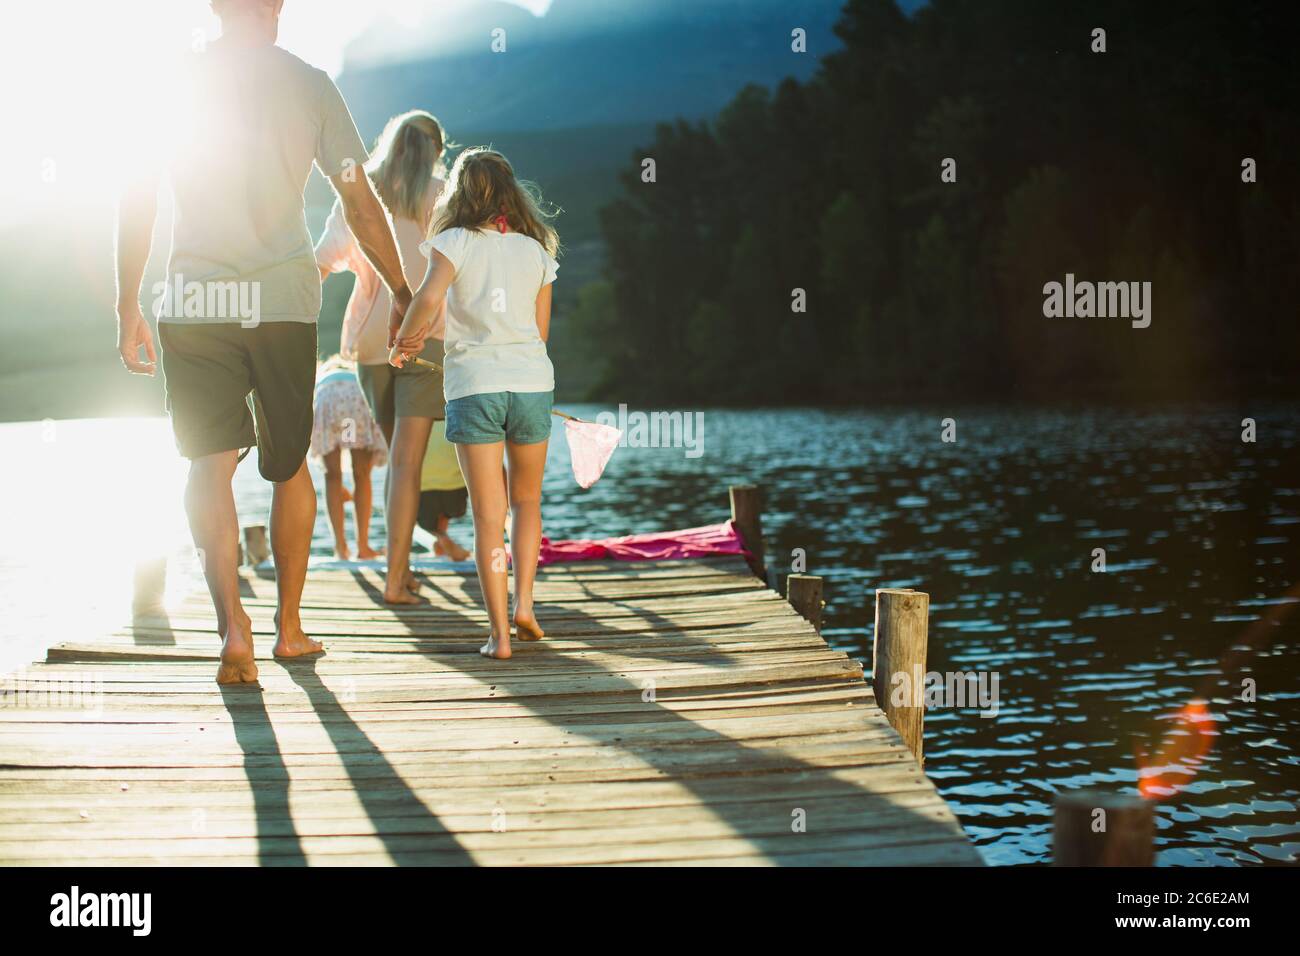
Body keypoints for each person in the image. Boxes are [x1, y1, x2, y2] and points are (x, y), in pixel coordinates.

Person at [114, 0, 413, 684]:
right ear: (271, 8)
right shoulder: (309, 83)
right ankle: (289, 628)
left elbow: (137, 197)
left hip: (194, 301)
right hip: (280, 303)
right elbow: (358, 198)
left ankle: (231, 630)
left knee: (206, 465)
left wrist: (127, 303)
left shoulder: (177, 80)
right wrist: (399, 287)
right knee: (289, 466)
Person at [391, 148, 559, 659]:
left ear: (461, 193)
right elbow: (541, 332)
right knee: (527, 502)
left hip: (474, 387)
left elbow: (427, 297)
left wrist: (404, 343)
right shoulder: (537, 249)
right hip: (531, 384)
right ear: (512, 192)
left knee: (490, 515)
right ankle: (525, 605)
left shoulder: (455, 241)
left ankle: (499, 637)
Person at [315, 110, 450, 606]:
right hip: (427, 336)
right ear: (435, 148)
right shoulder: (442, 194)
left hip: (371, 343)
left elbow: (322, 261)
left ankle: (400, 574)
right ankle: (399, 575)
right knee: (407, 462)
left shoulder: (360, 194)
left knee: (397, 459)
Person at [310, 356, 386, 560]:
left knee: (332, 477)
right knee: (361, 475)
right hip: (355, 400)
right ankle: (363, 546)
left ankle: (340, 547)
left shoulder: (322, 377)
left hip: (328, 400)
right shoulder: (354, 371)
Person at [417, 420, 472, 562]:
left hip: (424, 480)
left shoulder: (418, 413)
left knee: (409, 519)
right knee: (443, 513)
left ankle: (439, 538)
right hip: (456, 483)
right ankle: (440, 546)